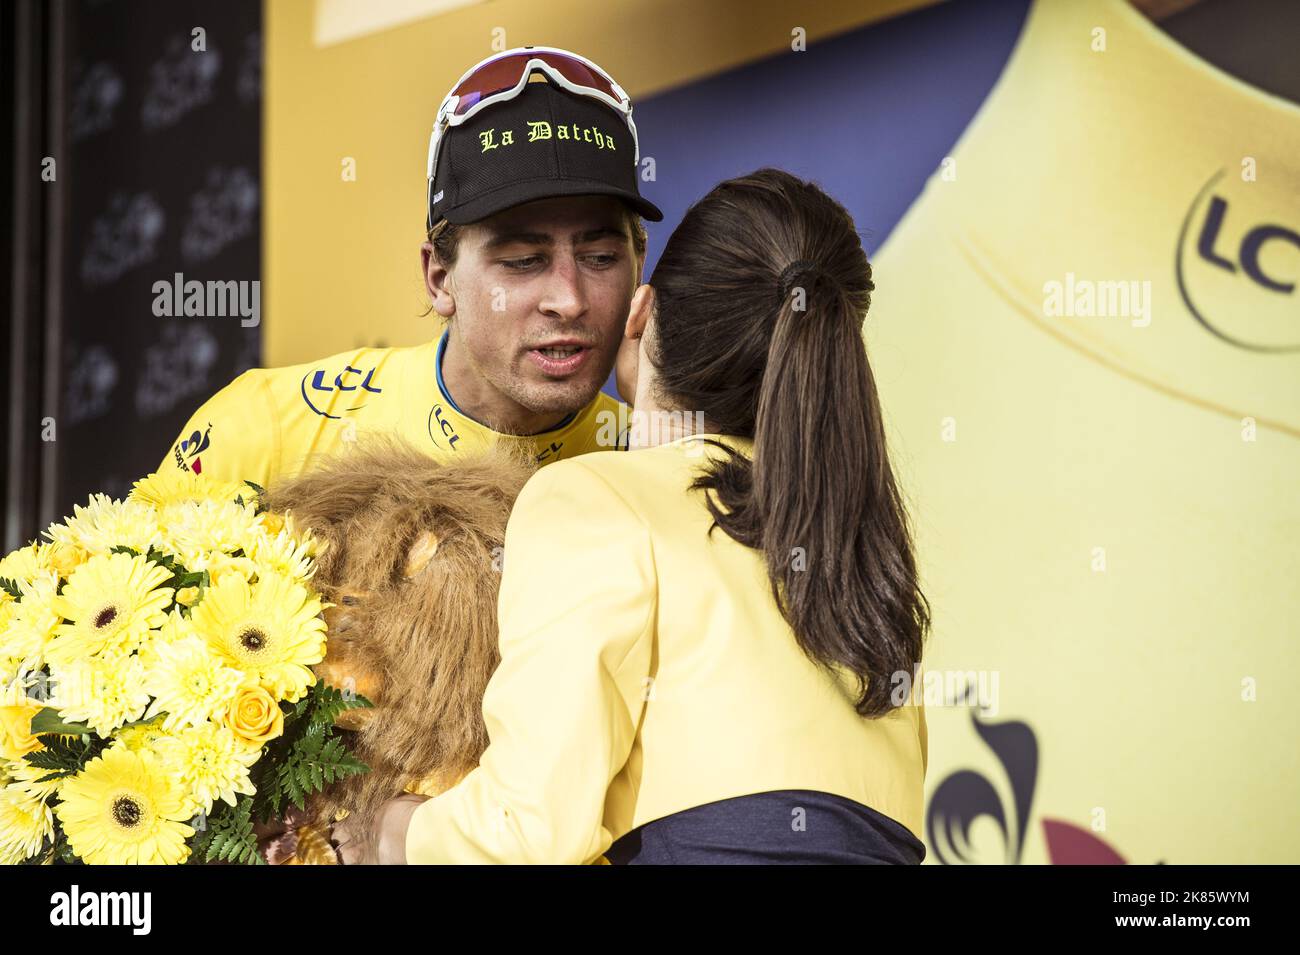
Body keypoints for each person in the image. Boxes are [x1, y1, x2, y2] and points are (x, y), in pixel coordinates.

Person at [334, 167, 932, 864]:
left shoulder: (594, 496)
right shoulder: (860, 557)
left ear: (641, 313)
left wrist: (393, 831)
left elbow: (528, 833)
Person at [158, 47, 662, 484]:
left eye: (600, 258)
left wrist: (661, 445)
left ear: (638, 265)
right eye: (523, 261)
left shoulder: (669, 458)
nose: (568, 300)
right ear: (439, 278)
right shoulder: (265, 427)